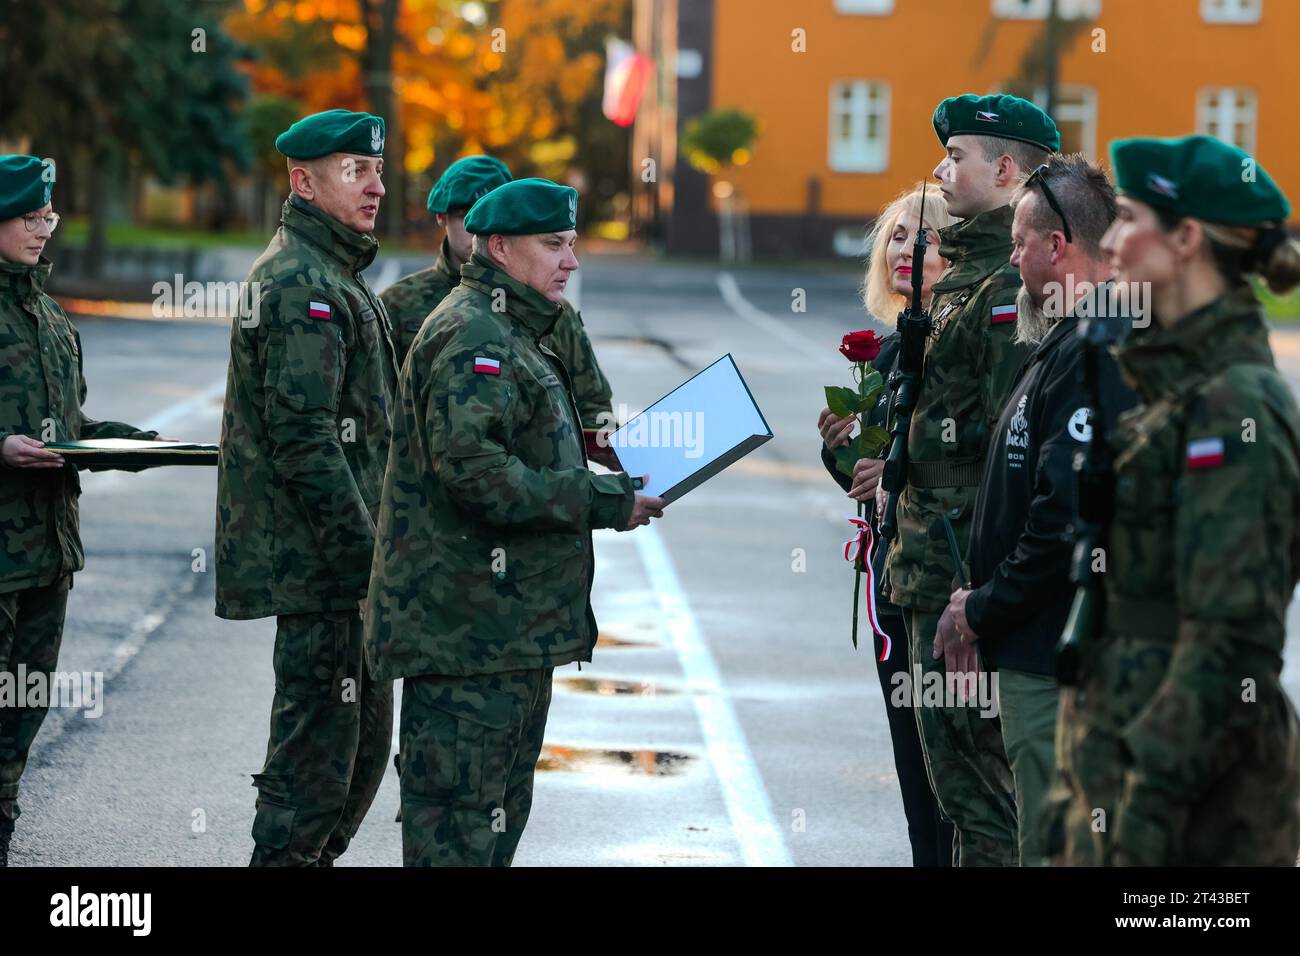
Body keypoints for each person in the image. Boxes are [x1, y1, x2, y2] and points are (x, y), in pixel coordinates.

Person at [364, 177, 666, 866]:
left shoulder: (514, 327)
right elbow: (477, 475)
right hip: (468, 637)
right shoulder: (475, 333)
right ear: (499, 246)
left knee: (492, 830)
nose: (572, 260)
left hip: (505, 635)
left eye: (572, 243)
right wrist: (604, 502)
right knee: (458, 836)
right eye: (555, 244)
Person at [1048, 134, 1300, 866]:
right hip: (1122, 769)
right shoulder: (1176, 386)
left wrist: (1143, 803)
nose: (1115, 241)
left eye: (1129, 218)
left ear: (1186, 239)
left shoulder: (1232, 406)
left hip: (1190, 809)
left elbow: (1233, 648)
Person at [214, 109, 398, 866]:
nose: (377, 186)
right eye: (356, 170)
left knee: (354, 765)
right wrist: (366, 568)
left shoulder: (335, 274)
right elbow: (305, 441)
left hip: (348, 572)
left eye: (377, 170)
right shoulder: (299, 282)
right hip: (325, 573)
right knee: (311, 777)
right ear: (303, 180)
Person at [881, 93, 1058, 866]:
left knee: (980, 795)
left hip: (957, 569)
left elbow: (1005, 448)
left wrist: (977, 595)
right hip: (930, 565)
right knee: (955, 789)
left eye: (957, 157)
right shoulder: (968, 276)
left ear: (1007, 169)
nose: (940, 170)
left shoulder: (999, 293)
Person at [943, 153, 1135, 865]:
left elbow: (1065, 520)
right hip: (1035, 649)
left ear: (1058, 247)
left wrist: (982, 607)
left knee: (1054, 851)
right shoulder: (1065, 342)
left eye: (1021, 243)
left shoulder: (1097, 347)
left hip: (1055, 658)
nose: (1014, 257)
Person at [0, 155, 161, 866]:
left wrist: (147, 446)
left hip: (46, 554)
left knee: (20, 717)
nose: (44, 230)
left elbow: (71, 425)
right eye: (31, 218)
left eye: (48, 218)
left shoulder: (49, 316)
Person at [816, 183, 956, 866]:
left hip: (941, 585)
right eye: (895, 237)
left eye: (920, 236)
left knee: (953, 780)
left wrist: (892, 471)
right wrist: (843, 449)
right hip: (891, 587)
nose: (905, 248)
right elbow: (869, 477)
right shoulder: (889, 354)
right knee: (913, 766)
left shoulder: (952, 347)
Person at [380, 156, 614, 440]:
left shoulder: (551, 310)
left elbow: (593, 406)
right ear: (442, 217)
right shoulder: (399, 303)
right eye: (466, 214)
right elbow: (376, 409)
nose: (483, 225)